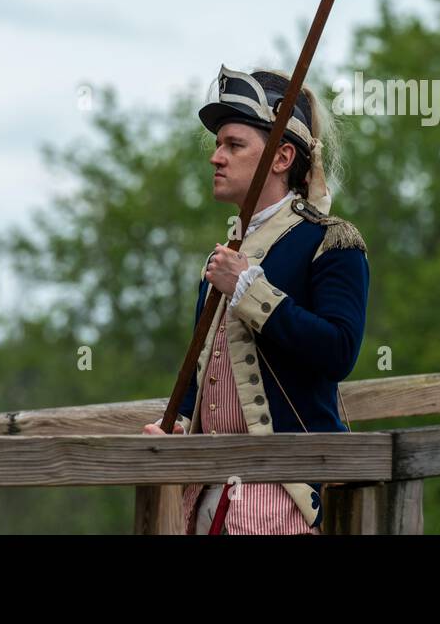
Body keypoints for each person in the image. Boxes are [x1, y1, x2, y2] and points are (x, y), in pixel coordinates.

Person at [143, 64, 369, 534]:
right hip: (207, 491)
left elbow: (338, 351)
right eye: (217, 144)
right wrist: (181, 426)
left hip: (282, 492)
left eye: (234, 144)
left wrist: (250, 290)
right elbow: (204, 371)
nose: (216, 157)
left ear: (283, 157)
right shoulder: (223, 259)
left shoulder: (330, 242)